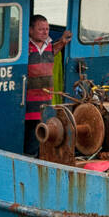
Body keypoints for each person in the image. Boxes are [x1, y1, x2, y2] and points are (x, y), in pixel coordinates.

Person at [24, 14, 70, 156]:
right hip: (29, 103)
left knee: (44, 133)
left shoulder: (49, 46)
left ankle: (41, 157)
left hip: (46, 102)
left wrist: (63, 41)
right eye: (41, 29)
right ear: (31, 30)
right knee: (32, 134)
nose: (45, 32)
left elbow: (55, 49)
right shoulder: (25, 47)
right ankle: (30, 158)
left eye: (47, 29)